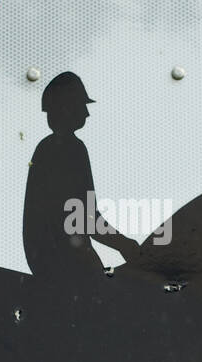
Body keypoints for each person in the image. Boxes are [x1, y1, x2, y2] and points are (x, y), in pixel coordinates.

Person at [22, 72, 141, 285]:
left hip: (50, 257)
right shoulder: (70, 149)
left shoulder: (48, 148)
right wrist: (125, 245)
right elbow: (86, 218)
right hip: (65, 258)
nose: (87, 114)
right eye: (80, 106)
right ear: (66, 109)